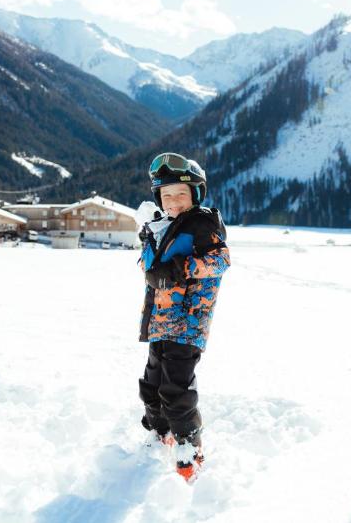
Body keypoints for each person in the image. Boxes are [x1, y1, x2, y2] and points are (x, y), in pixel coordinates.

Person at [136, 152, 230, 482]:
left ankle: (189, 452)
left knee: (176, 390)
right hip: (160, 321)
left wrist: (179, 269)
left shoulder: (202, 224)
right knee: (151, 384)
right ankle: (160, 434)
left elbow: (220, 261)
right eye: (166, 195)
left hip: (188, 323)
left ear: (195, 195)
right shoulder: (162, 226)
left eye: (180, 194)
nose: (173, 201)